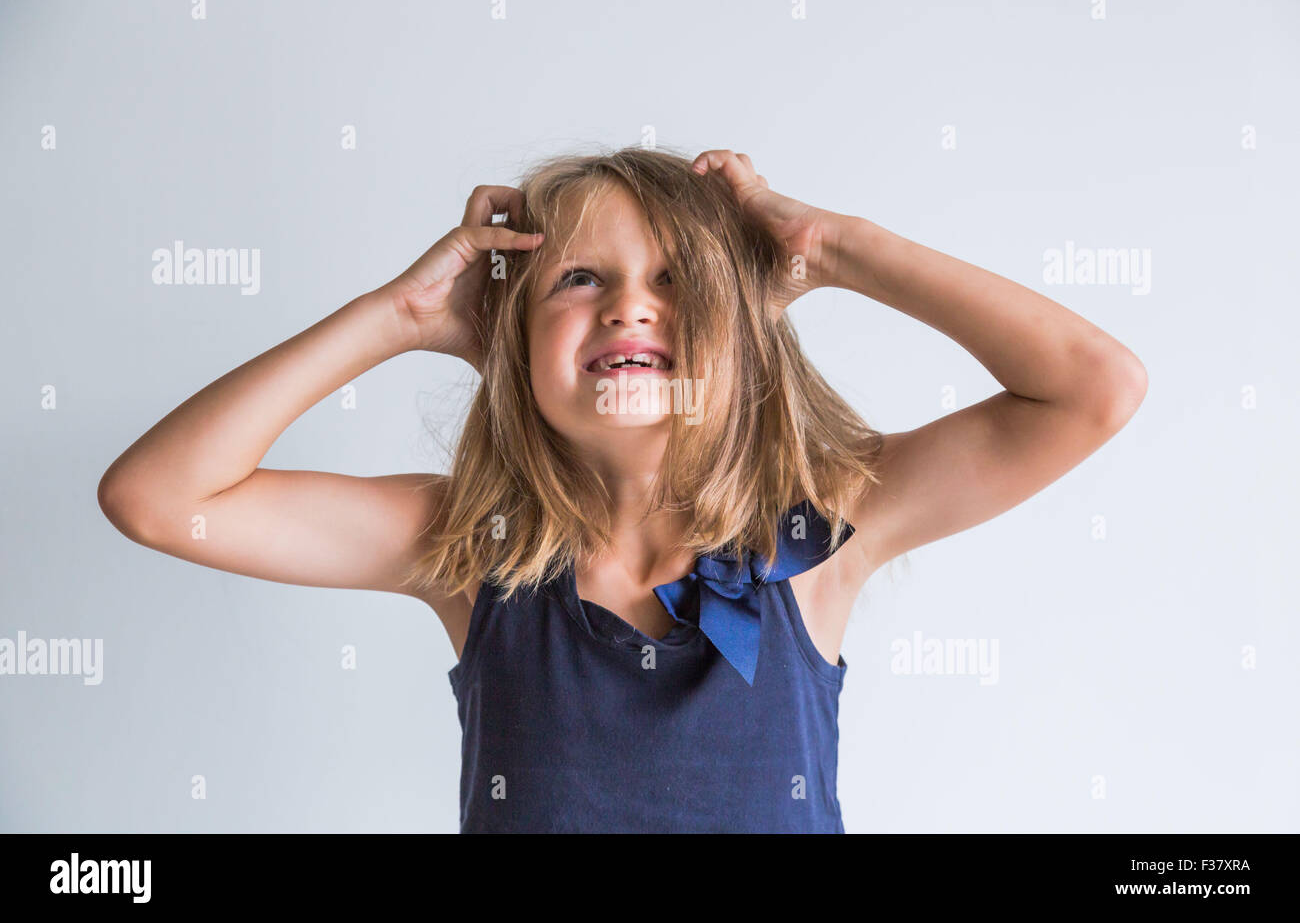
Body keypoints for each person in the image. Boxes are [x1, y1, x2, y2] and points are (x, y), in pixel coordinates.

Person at [98, 145, 1147, 832]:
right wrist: (402, 317)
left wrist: (831, 246)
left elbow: (1093, 388)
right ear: (509, 337)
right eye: (579, 278)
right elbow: (156, 495)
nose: (629, 311)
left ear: (744, 335)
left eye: (675, 283)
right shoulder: (470, 549)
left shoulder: (825, 533)